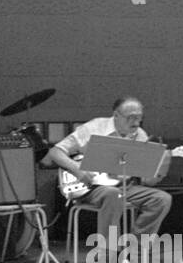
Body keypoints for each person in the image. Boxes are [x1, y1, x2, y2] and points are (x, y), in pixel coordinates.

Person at [43, 96, 172, 253]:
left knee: (162, 199)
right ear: (116, 115)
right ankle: (107, 256)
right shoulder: (95, 127)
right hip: (92, 187)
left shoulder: (140, 135)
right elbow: (56, 152)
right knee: (113, 194)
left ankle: (134, 252)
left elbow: (147, 181)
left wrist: (158, 172)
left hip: (124, 186)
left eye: (139, 118)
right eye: (131, 118)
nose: (136, 123)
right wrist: (78, 170)